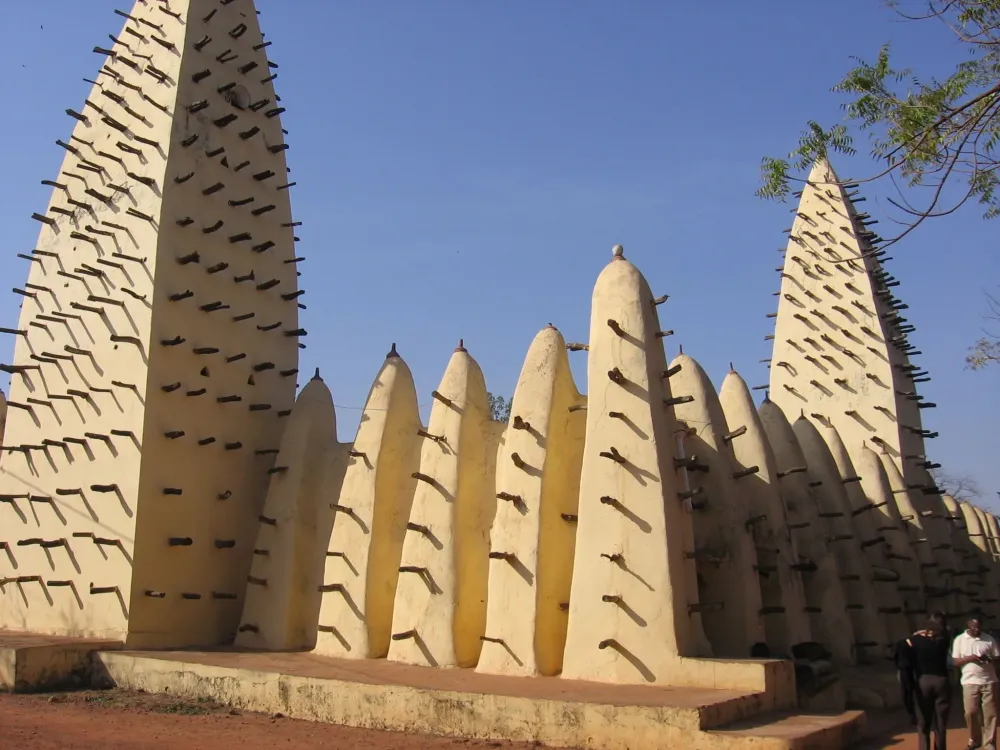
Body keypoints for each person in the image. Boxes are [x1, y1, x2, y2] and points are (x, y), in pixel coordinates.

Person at [952, 614, 1000, 750]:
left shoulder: (988, 639)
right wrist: (971, 658)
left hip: (989, 680)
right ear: (968, 625)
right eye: (973, 627)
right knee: (971, 712)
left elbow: (997, 657)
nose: (976, 630)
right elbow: (956, 662)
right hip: (969, 681)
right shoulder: (959, 640)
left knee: (991, 713)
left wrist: (990, 659)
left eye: (978, 627)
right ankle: (975, 738)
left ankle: (989, 742)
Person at [908, 618, 954, 750]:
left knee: (923, 722)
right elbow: (946, 633)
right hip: (941, 681)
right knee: (941, 723)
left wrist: (919, 633)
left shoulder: (917, 642)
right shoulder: (943, 641)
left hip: (923, 681)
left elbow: (909, 641)